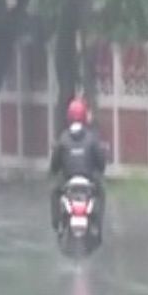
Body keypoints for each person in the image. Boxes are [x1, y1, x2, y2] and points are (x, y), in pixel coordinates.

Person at [48, 97, 108, 232]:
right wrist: (100, 169)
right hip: (89, 180)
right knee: (101, 192)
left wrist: (54, 171)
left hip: (68, 181)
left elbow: (54, 165)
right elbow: (101, 163)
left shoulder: (63, 138)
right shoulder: (92, 138)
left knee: (54, 192)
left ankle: (56, 224)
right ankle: (98, 225)